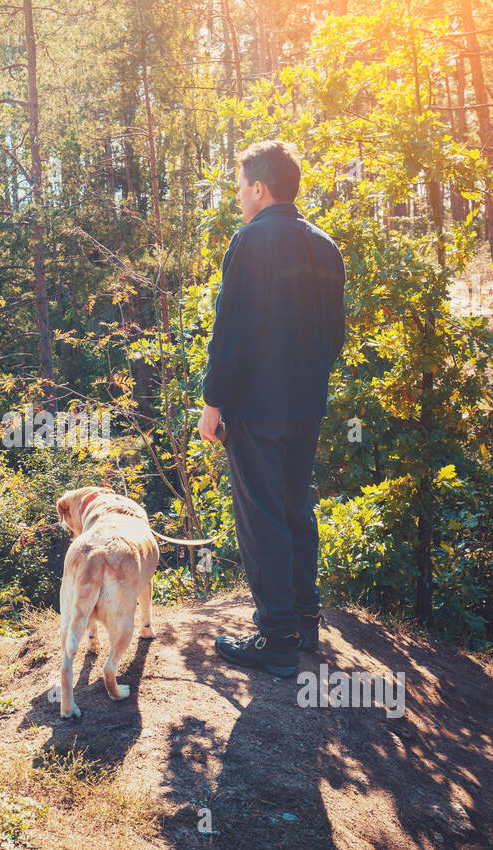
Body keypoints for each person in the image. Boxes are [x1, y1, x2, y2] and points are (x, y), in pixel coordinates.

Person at [198, 140, 347, 678]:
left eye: (241, 187)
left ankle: (278, 637)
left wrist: (214, 402)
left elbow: (232, 332)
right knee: (293, 508)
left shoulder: (251, 241)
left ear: (259, 188)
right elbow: (336, 335)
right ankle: (304, 622)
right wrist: (308, 382)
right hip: (306, 405)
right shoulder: (326, 246)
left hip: (258, 407)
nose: (239, 197)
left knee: (262, 516)